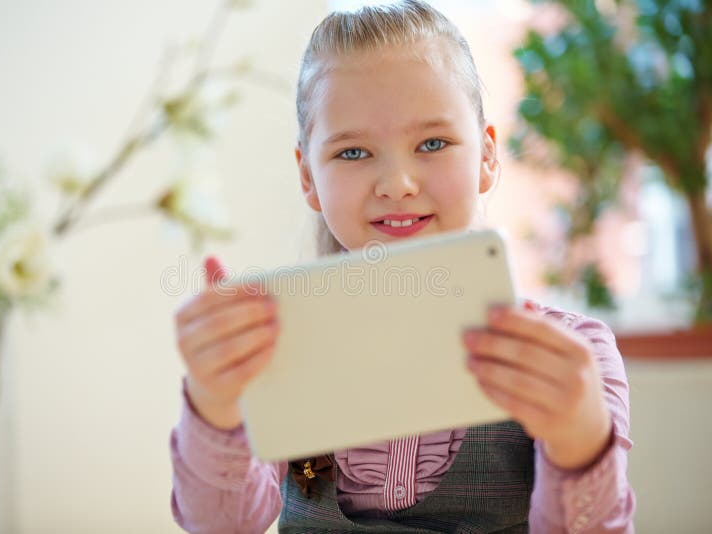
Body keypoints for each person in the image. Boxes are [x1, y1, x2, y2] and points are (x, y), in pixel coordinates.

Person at [168, 1, 635, 532]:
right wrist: (213, 405)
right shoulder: (275, 350)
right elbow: (221, 524)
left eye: (432, 143)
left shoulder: (577, 359)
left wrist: (579, 439)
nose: (397, 184)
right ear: (307, 176)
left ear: (485, 157)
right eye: (353, 153)